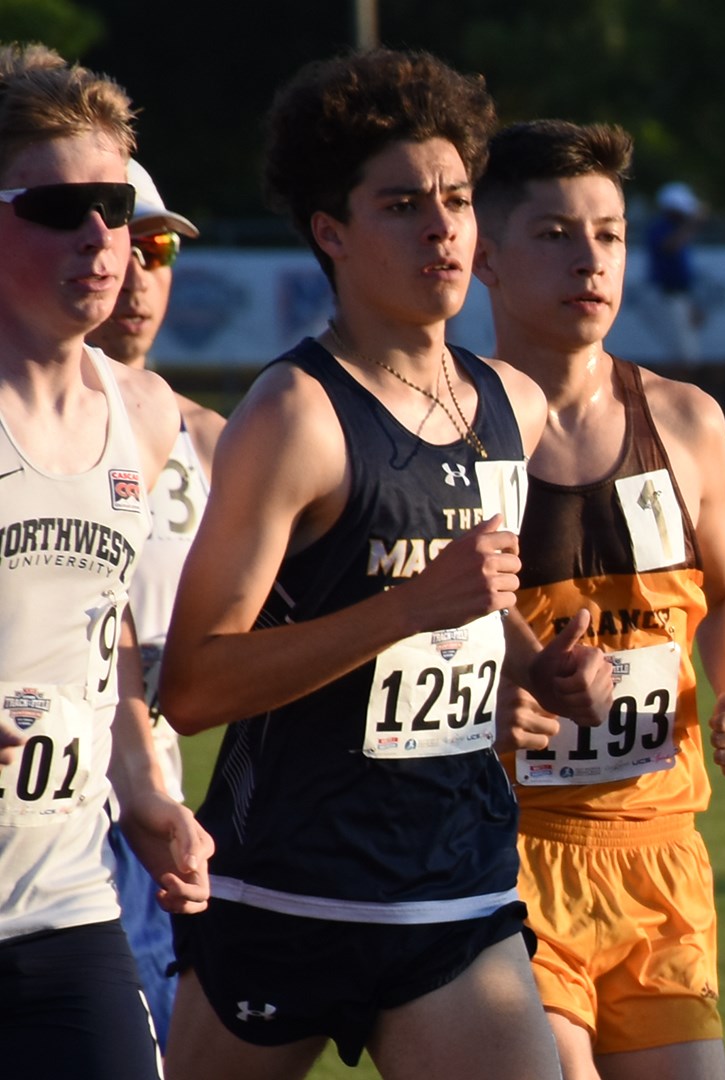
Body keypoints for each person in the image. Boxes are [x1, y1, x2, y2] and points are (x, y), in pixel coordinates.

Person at [155, 49, 611, 1080]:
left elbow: (475, 602)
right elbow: (194, 686)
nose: (443, 228)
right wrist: (408, 608)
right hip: (287, 894)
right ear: (332, 233)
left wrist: (538, 668)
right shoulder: (295, 416)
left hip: (458, 895)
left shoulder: (513, 405)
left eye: (455, 199)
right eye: (403, 204)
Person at [474, 118, 725, 1080]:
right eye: (554, 234)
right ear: (485, 256)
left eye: (608, 233)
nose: (588, 260)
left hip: (663, 861)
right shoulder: (450, 436)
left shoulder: (687, 420)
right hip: (509, 852)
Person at [0, 42, 214, 1080]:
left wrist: (145, 794)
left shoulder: (145, 416)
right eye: (56, 207)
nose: (100, 236)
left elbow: (108, 633)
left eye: (116, 207)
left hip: (68, 908)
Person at [83, 155, 218, 1052]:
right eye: (124, 245)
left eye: (158, 249)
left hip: (146, 806)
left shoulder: (215, 440)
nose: (137, 272)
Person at [644, 181, 705, 363]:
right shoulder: (660, 228)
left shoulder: (676, 228)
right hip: (667, 295)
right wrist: (692, 224)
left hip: (680, 296)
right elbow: (669, 246)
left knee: (690, 352)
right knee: (682, 354)